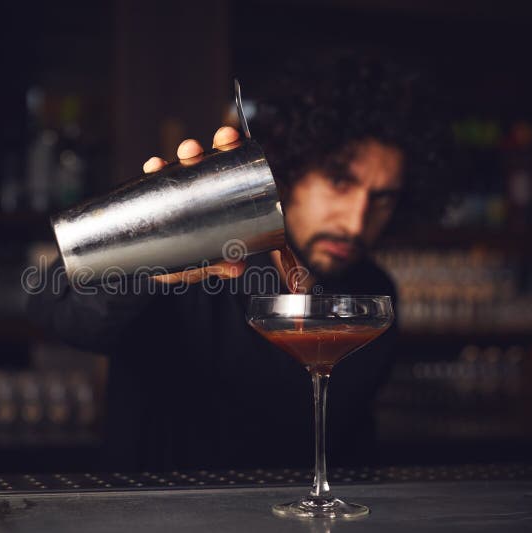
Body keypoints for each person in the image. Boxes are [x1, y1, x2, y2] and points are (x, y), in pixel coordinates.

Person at [29, 52, 450, 472]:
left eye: (383, 198)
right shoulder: (200, 266)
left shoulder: (373, 295)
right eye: (340, 182)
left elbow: (345, 442)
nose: (357, 221)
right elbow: (59, 310)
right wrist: (148, 248)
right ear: (289, 168)